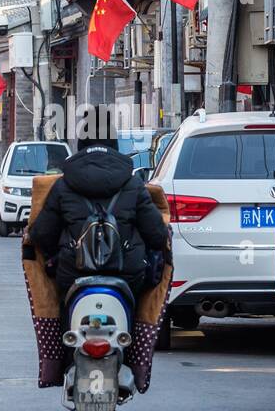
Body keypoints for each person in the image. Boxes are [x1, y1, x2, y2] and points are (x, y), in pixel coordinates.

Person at [28, 127, 169, 301]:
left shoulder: (62, 185)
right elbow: (157, 236)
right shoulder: (133, 184)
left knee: (63, 308)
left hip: (73, 273)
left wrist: (58, 254)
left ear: (81, 146)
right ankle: (138, 328)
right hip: (127, 276)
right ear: (114, 146)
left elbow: (42, 234)